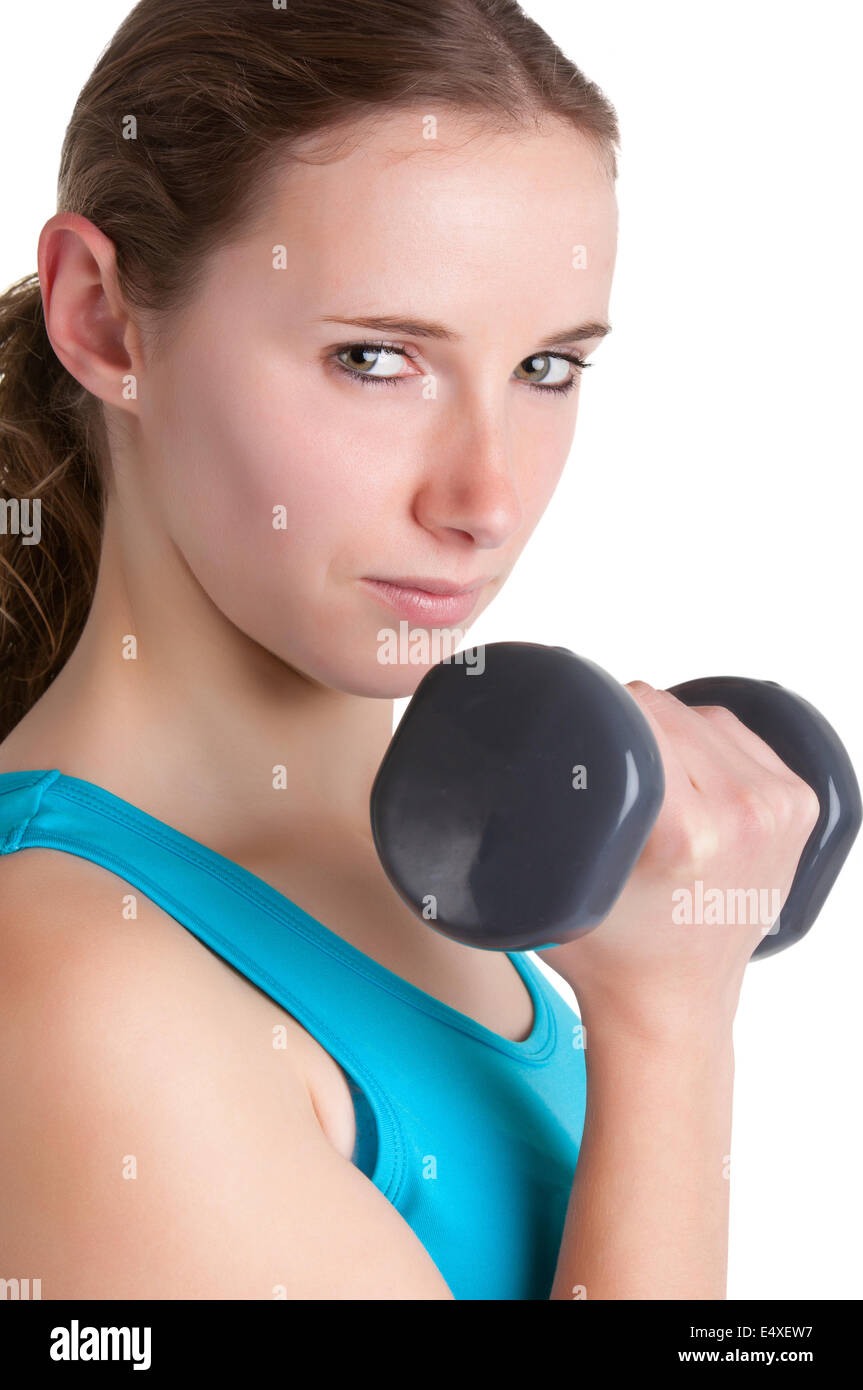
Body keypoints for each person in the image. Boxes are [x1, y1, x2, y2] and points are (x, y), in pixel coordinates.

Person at [0, 0, 818, 1301]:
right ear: (104, 319)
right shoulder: (73, 990)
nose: (486, 497)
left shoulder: (451, 891)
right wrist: (670, 1028)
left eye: (547, 367)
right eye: (376, 358)